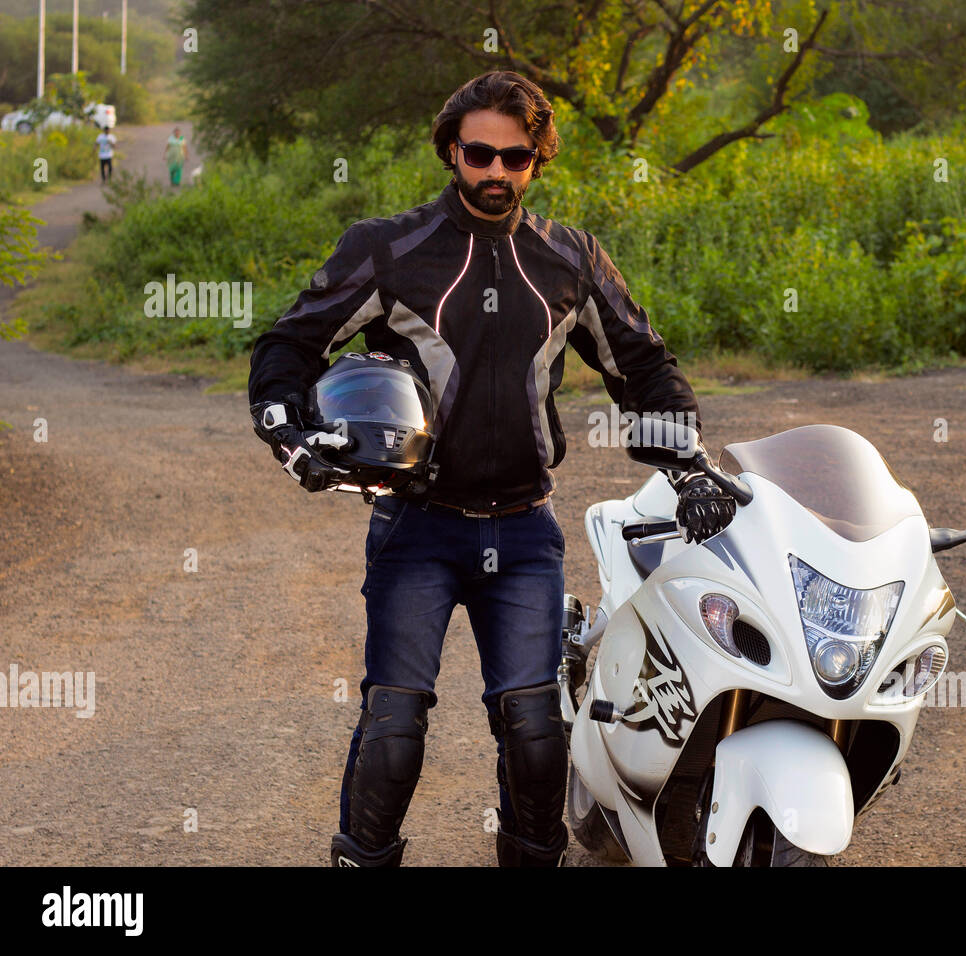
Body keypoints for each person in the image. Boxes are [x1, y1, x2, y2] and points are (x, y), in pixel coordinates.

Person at [247, 70, 736, 867]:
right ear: (451, 151)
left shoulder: (568, 258)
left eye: (518, 158)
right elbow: (288, 344)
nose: (497, 173)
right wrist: (286, 428)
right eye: (480, 154)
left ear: (537, 161)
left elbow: (644, 365)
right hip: (417, 526)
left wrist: (688, 461)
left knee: (538, 732)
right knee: (394, 726)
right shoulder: (386, 248)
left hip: (524, 529)